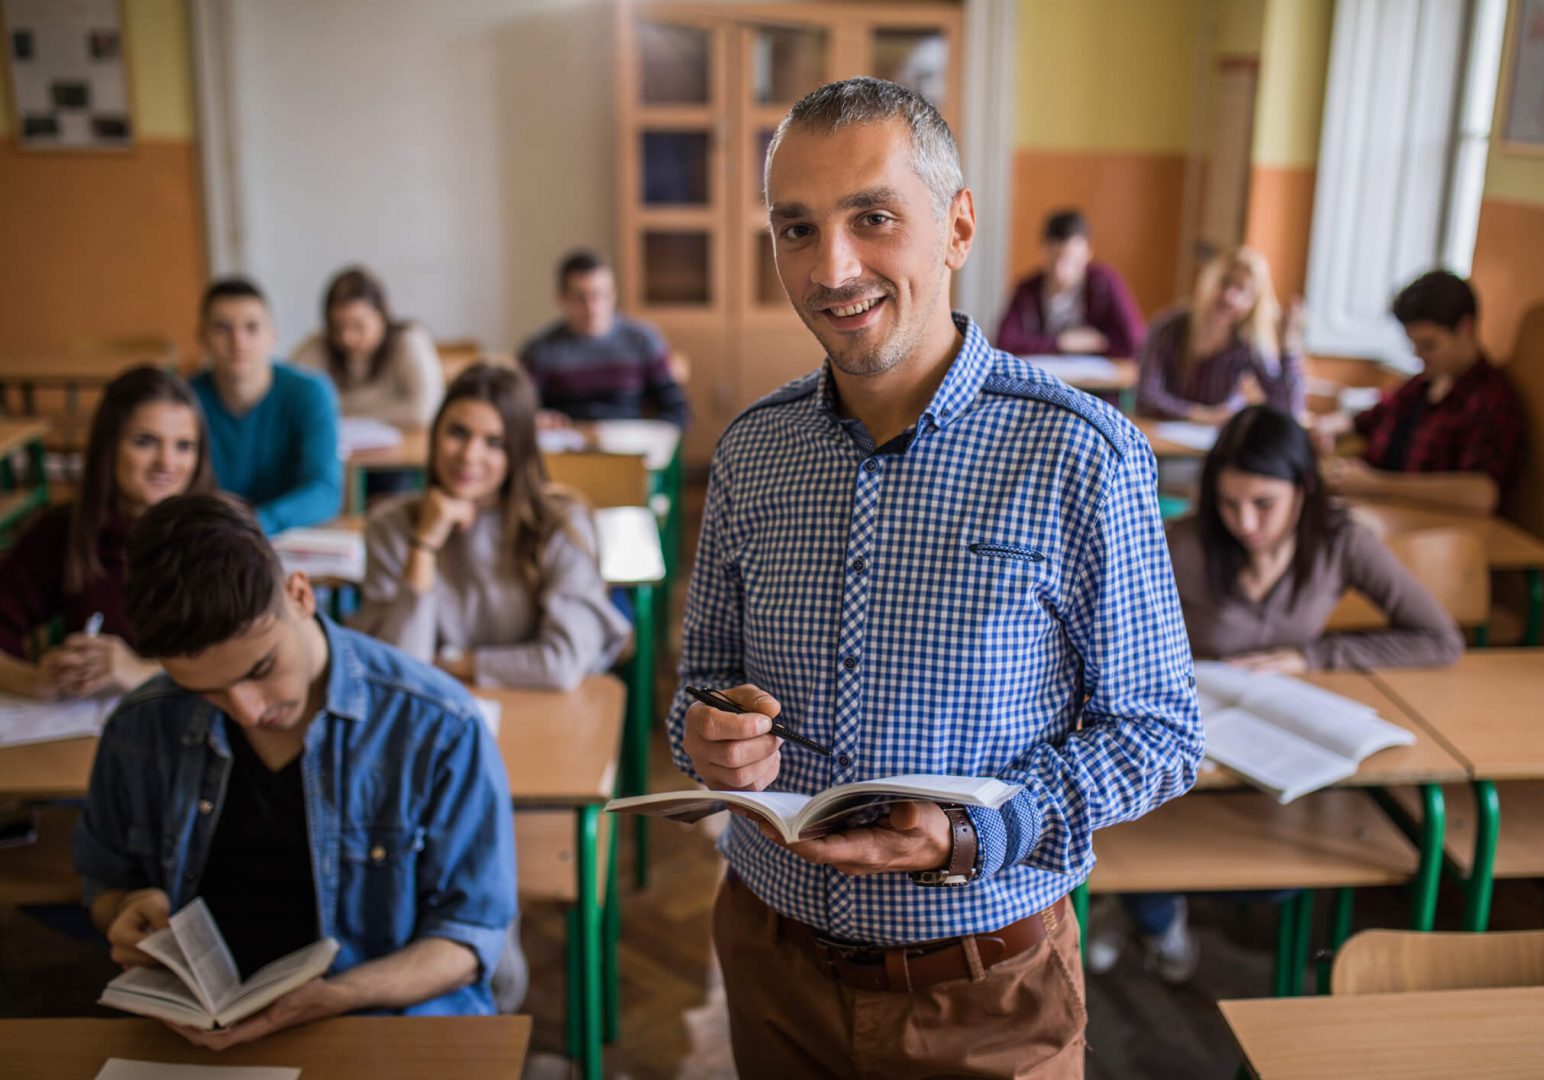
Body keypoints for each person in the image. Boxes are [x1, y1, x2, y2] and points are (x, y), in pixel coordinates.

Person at [670, 77, 1201, 1076]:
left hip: (987, 995)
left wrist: (977, 831)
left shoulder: (1083, 455)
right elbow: (697, 686)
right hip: (770, 967)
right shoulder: (752, 451)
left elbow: (1162, 738)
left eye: (872, 218)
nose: (832, 268)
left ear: (957, 227)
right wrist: (707, 737)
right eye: (795, 229)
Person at [70, 493, 517, 1049]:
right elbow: (103, 881)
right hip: (199, 1036)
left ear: (299, 594)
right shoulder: (142, 725)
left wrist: (343, 994)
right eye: (206, 691)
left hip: (377, 1021)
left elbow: (469, 936)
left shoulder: (437, 724)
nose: (249, 710)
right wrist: (124, 911)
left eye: (262, 669)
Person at [1089, 405, 1463, 983]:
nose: (1245, 521)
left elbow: (1438, 639)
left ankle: (1156, 908)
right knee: (1146, 834)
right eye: (1228, 503)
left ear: (1304, 489)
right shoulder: (1180, 543)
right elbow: (1109, 640)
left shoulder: (1340, 541)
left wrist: (1315, 656)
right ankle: (1154, 916)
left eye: (1264, 504)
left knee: (1286, 869)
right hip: (1193, 733)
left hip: (1281, 739)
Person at [352, 363, 629, 689]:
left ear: (518, 452)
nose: (469, 455)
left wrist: (450, 661)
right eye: (457, 433)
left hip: (539, 711)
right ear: (435, 433)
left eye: (494, 442)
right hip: (435, 713)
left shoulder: (560, 525)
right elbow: (400, 668)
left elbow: (561, 664)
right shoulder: (390, 526)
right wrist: (424, 544)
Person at [0, 367, 213, 700]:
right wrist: (33, 679)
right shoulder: (68, 529)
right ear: (108, 445)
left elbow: (250, 658)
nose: (167, 463)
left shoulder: (220, 536)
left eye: (184, 446)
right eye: (145, 442)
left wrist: (141, 672)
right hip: (86, 729)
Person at [1322, 270, 1525, 514]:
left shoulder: (1489, 400)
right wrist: (1327, 428)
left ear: (1465, 328)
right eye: (1414, 345)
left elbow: (1482, 493)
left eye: (1429, 345)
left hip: (1431, 534)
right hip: (1378, 514)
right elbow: (1366, 418)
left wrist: (1377, 484)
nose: (1418, 354)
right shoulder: (1421, 385)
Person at [189, 277, 343, 535]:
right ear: (202, 337)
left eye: (251, 327)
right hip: (209, 538)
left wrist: (258, 522)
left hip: (288, 536)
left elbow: (325, 491)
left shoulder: (310, 393)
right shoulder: (185, 400)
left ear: (272, 336)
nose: (238, 341)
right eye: (222, 328)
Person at [515, 250, 689, 428]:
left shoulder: (642, 340)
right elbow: (518, 411)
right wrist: (537, 419)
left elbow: (676, 411)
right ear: (562, 298)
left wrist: (649, 437)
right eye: (581, 298)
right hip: (564, 446)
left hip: (629, 444)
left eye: (600, 295)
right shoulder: (541, 350)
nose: (592, 308)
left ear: (613, 294)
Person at [1136, 246, 1305, 423]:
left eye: (1242, 291)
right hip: (1160, 440)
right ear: (1208, 281)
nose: (1229, 297)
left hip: (1211, 444)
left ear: (1253, 304)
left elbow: (1289, 411)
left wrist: (1288, 345)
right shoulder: (1167, 327)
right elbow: (1146, 397)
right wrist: (1204, 416)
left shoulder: (1245, 344)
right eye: (1225, 283)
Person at [291, 266, 445, 429]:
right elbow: (287, 398)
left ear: (382, 316)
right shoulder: (319, 346)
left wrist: (339, 410)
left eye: (358, 326)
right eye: (337, 327)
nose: (347, 338)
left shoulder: (408, 341)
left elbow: (424, 411)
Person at [993, 208, 1146, 358]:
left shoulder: (1104, 284)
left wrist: (1095, 345)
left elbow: (1135, 342)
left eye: (1071, 260)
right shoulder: (1027, 290)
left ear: (1088, 252)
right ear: (1043, 251)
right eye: (1053, 259)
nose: (1060, 270)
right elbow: (1005, 342)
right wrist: (1062, 343)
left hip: (1096, 379)